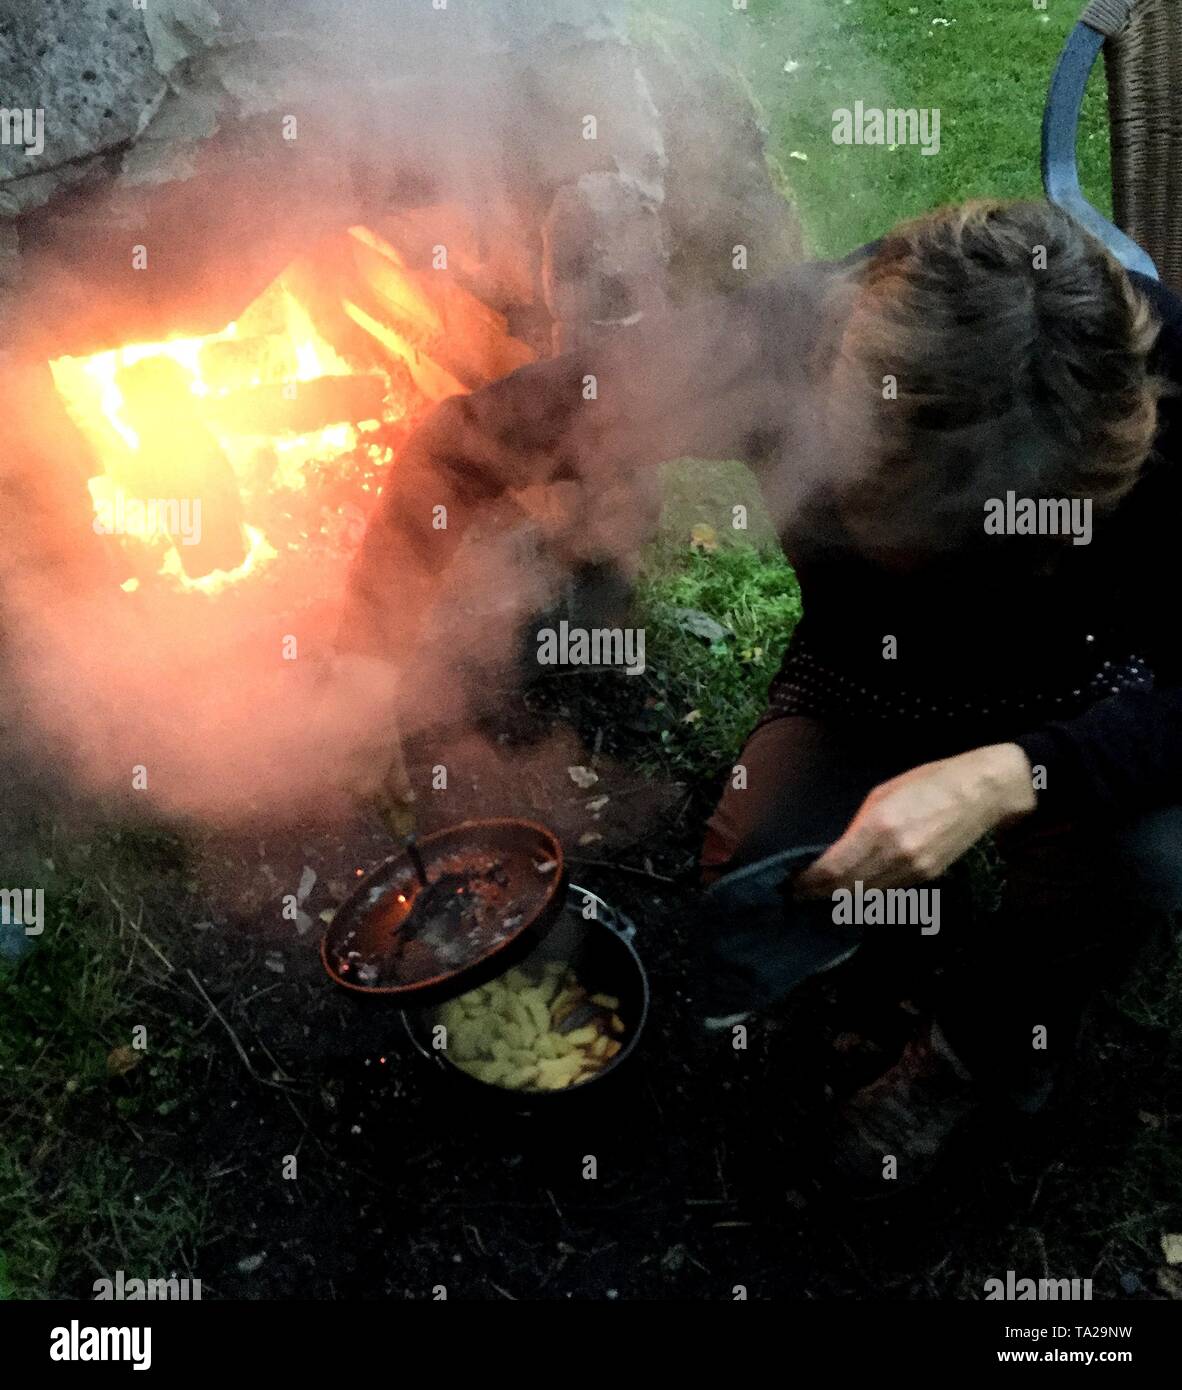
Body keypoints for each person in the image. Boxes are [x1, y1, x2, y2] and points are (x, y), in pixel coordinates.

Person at [340, 199, 1182, 1188]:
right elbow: (469, 441)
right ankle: (892, 960)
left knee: (1150, 858)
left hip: (1088, 692)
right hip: (865, 680)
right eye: (900, 529)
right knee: (755, 869)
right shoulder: (781, 344)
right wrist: (362, 656)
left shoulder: (1152, 381)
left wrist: (1013, 774)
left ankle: (986, 1043)